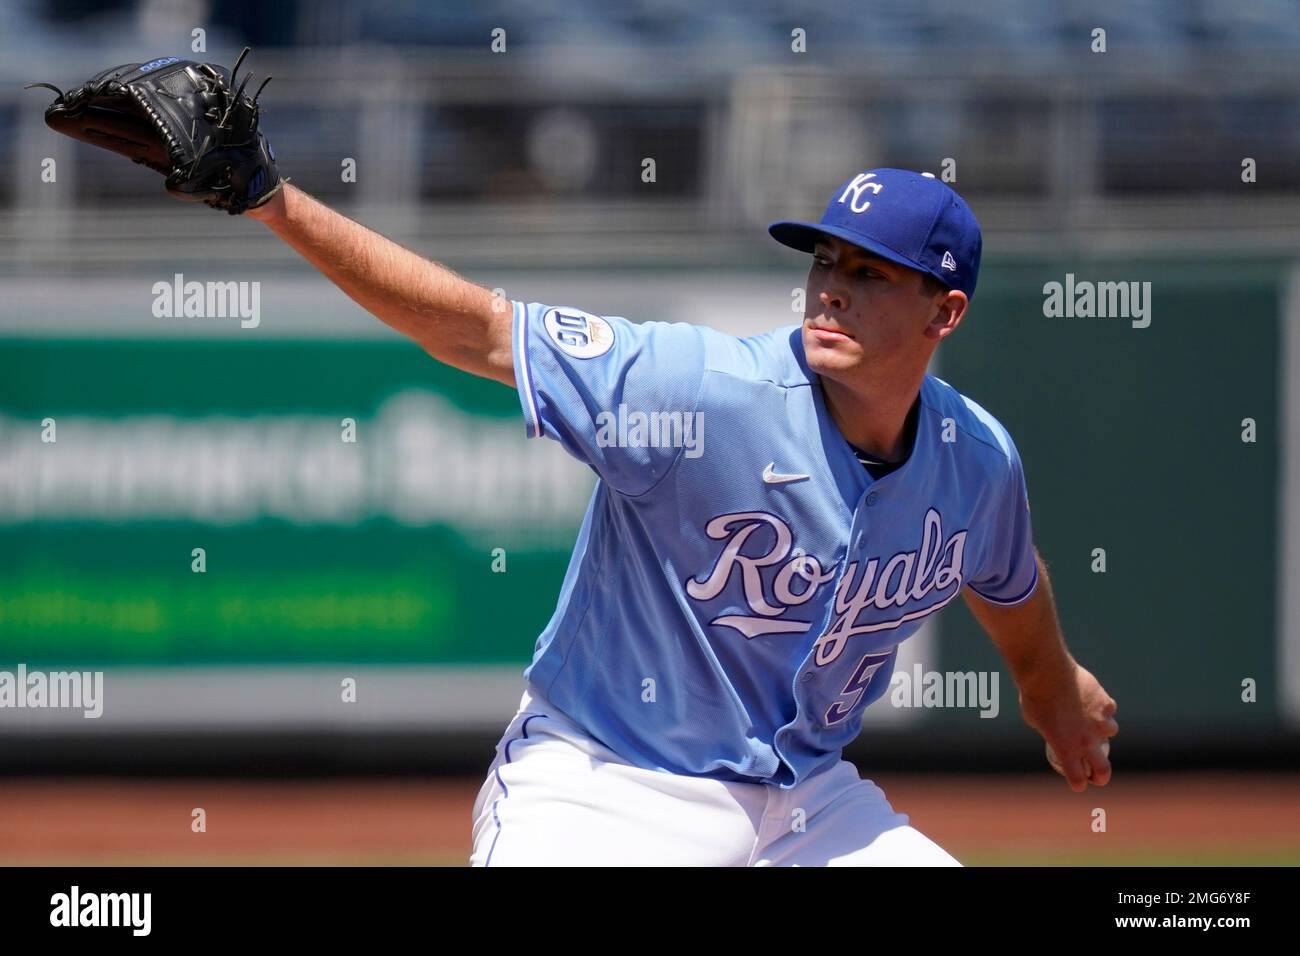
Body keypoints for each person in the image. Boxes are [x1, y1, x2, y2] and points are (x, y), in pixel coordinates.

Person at [244, 168, 1119, 867]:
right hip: (610, 782)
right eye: (823, 261)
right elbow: (474, 329)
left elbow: (1008, 577)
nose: (830, 291)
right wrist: (271, 200)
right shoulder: (699, 391)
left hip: (809, 805)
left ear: (946, 310)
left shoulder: (977, 457)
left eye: (868, 273)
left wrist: (1053, 691)